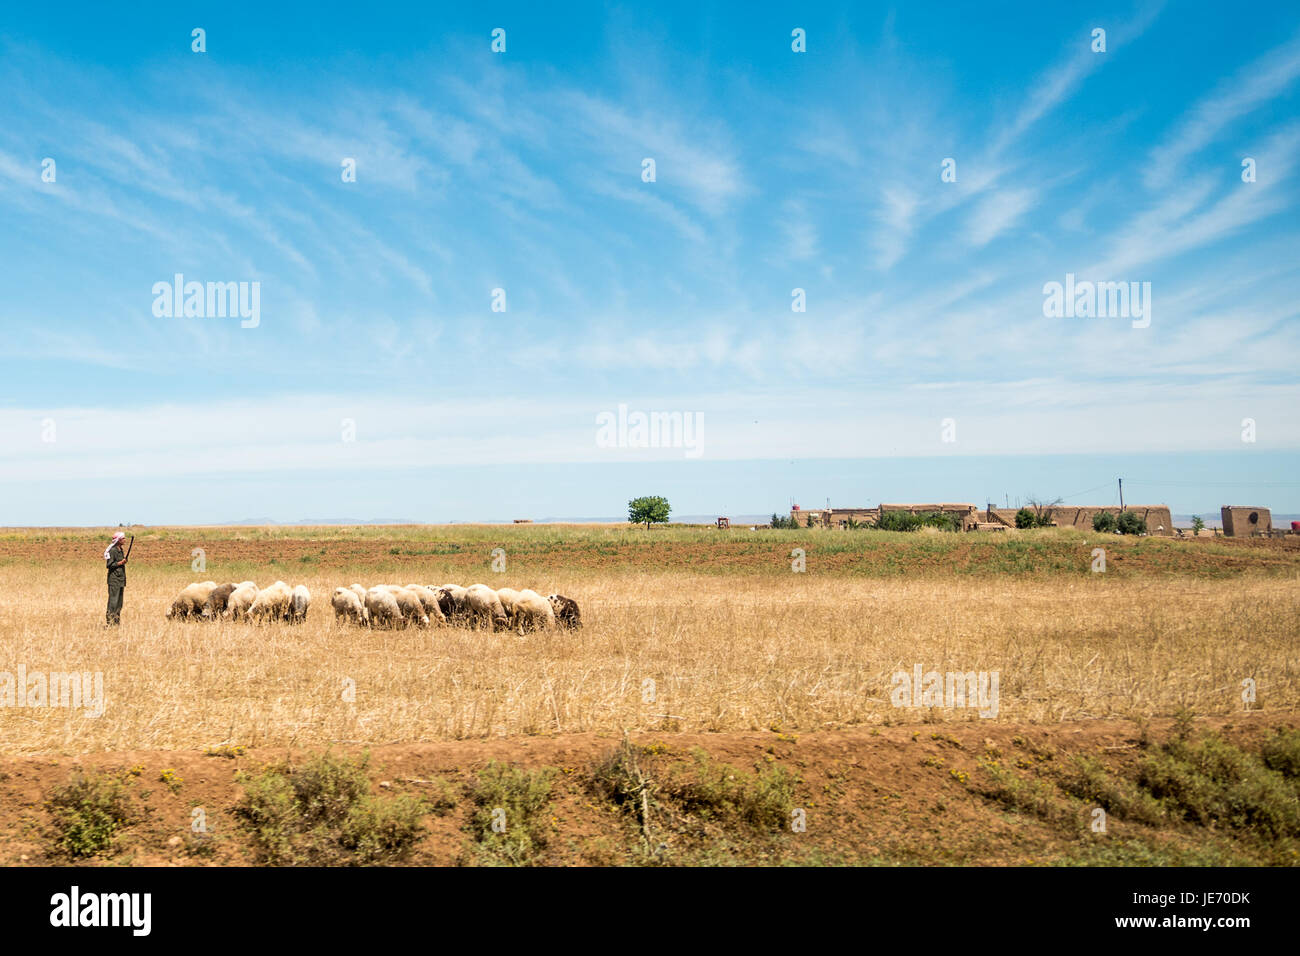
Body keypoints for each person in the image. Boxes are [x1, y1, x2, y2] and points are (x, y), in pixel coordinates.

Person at [104, 531, 128, 626]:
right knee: (113, 602)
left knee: (119, 603)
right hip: (114, 580)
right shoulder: (113, 550)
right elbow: (109, 565)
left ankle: (116, 623)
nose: (125, 540)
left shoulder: (121, 550)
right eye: (123, 538)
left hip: (121, 580)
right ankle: (109, 623)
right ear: (118, 540)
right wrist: (120, 563)